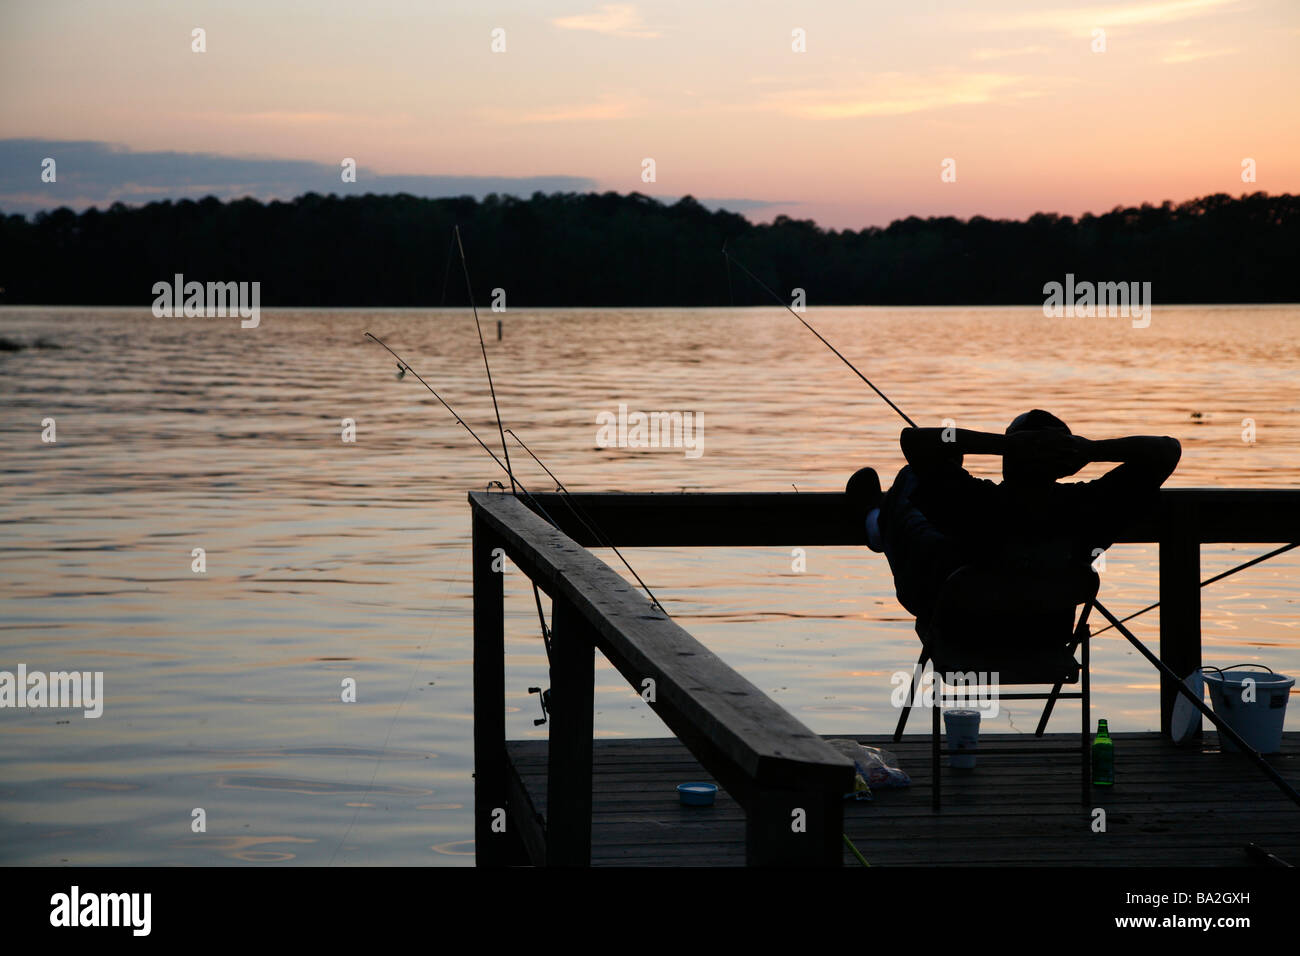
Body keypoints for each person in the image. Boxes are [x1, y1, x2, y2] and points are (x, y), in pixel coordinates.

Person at [846, 410, 1181, 637]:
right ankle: (878, 519)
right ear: (1066, 465)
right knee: (928, 517)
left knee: (910, 489)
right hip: (1046, 638)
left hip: (960, 632)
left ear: (1007, 462)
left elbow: (915, 442)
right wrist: (1090, 449)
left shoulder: (977, 501)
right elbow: (1167, 450)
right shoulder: (1089, 506)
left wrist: (1002, 444)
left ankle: (874, 522)